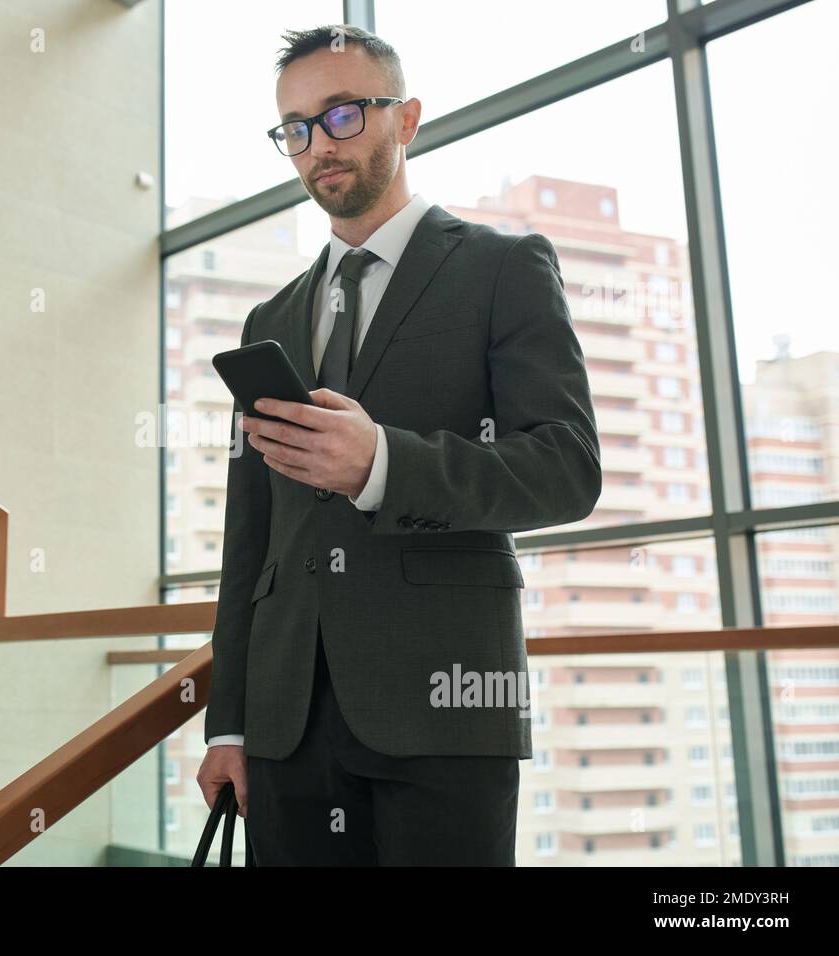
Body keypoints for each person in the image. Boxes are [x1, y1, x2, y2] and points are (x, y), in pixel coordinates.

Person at [195, 23, 601, 866]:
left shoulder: (503, 267)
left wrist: (384, 464)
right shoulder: (269, 320)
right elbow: (251, 540)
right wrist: (229, 720)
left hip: (443, 704)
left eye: (343, 114)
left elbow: (567, 468)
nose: (319, 145)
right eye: (296, 129)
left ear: (406, 119)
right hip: (286, 724)